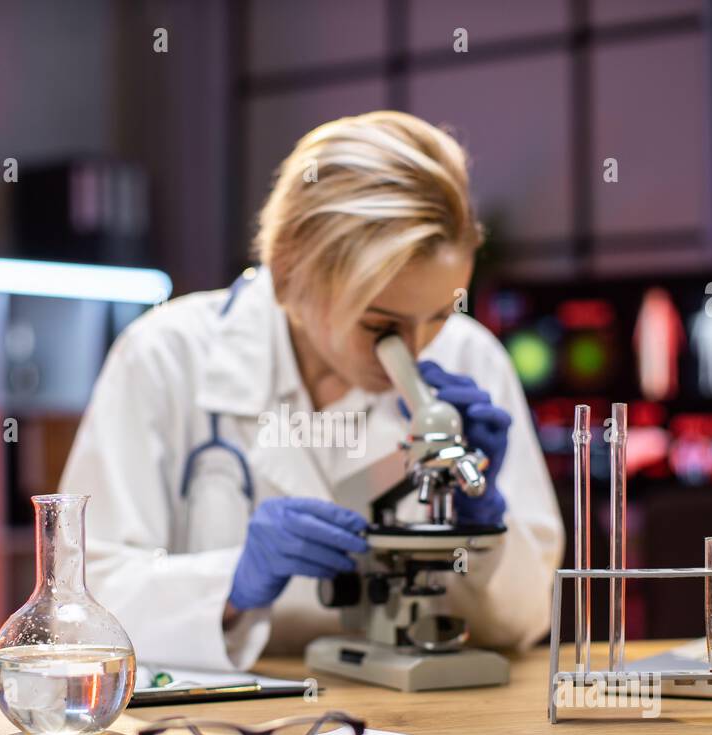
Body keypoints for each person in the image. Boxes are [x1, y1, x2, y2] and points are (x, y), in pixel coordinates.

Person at [60, 111, 563, 670]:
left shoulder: (469, 356)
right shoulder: (164, 357)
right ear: (289, 271)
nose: (417, 350)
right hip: (228, 726)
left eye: (441, 313)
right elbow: (79, 607)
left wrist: (481, 526)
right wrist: (231, 584)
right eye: (381, 326)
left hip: (414, 718)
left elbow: (526, 620)